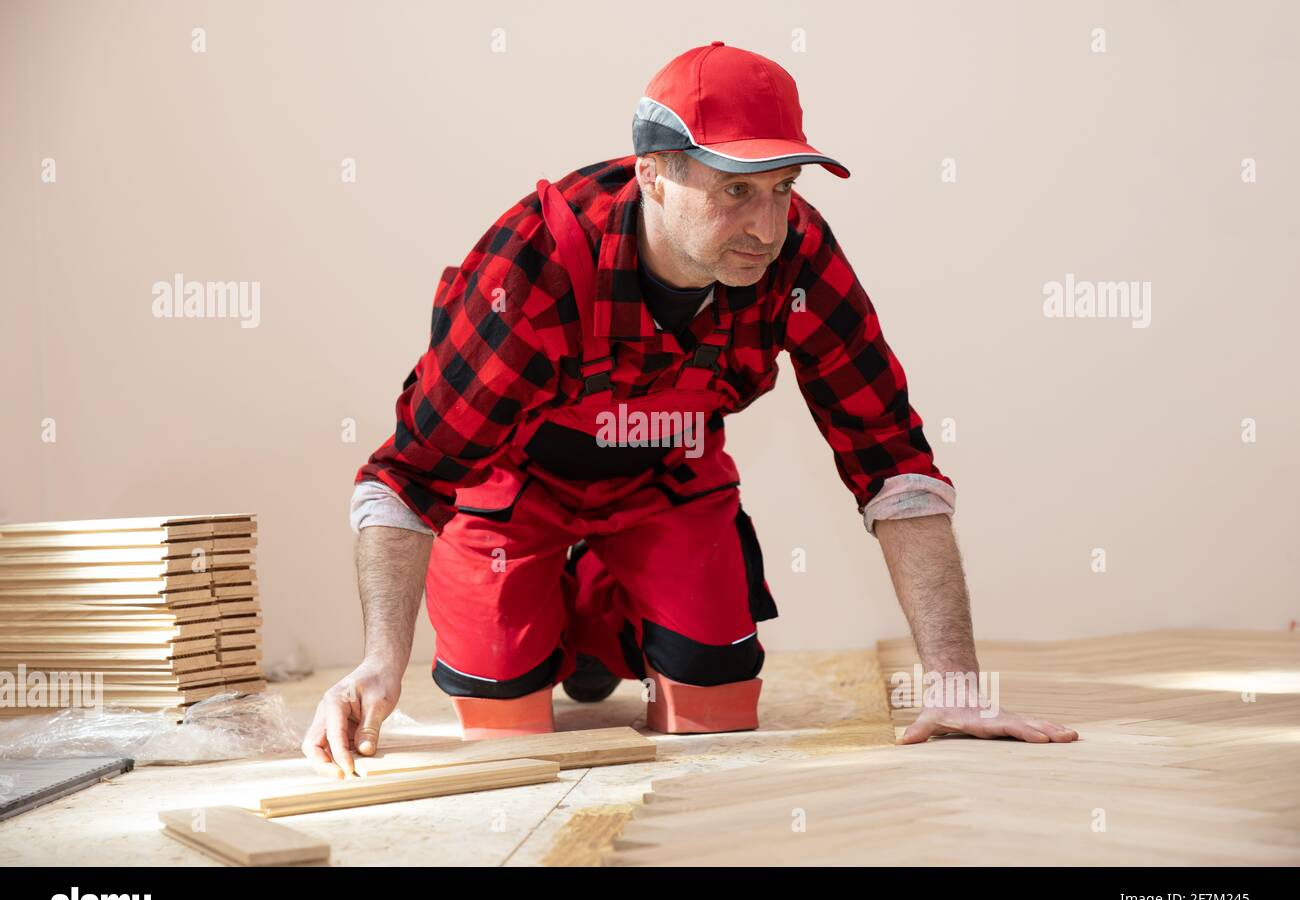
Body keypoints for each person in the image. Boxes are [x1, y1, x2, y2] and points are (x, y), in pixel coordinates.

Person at [303, 41, 1076, 777]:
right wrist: (379, 662)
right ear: (653, 174)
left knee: (718, 708)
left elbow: (894, 465)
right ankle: (549, 620)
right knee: (503, 723)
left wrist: (954, 683)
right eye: (736, 189)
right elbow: (405, 479)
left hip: (665, 479)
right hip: (514, 489)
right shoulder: (530, 269)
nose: (767, 228)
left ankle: (609, 615)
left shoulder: (797, 258)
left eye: (783, 188)